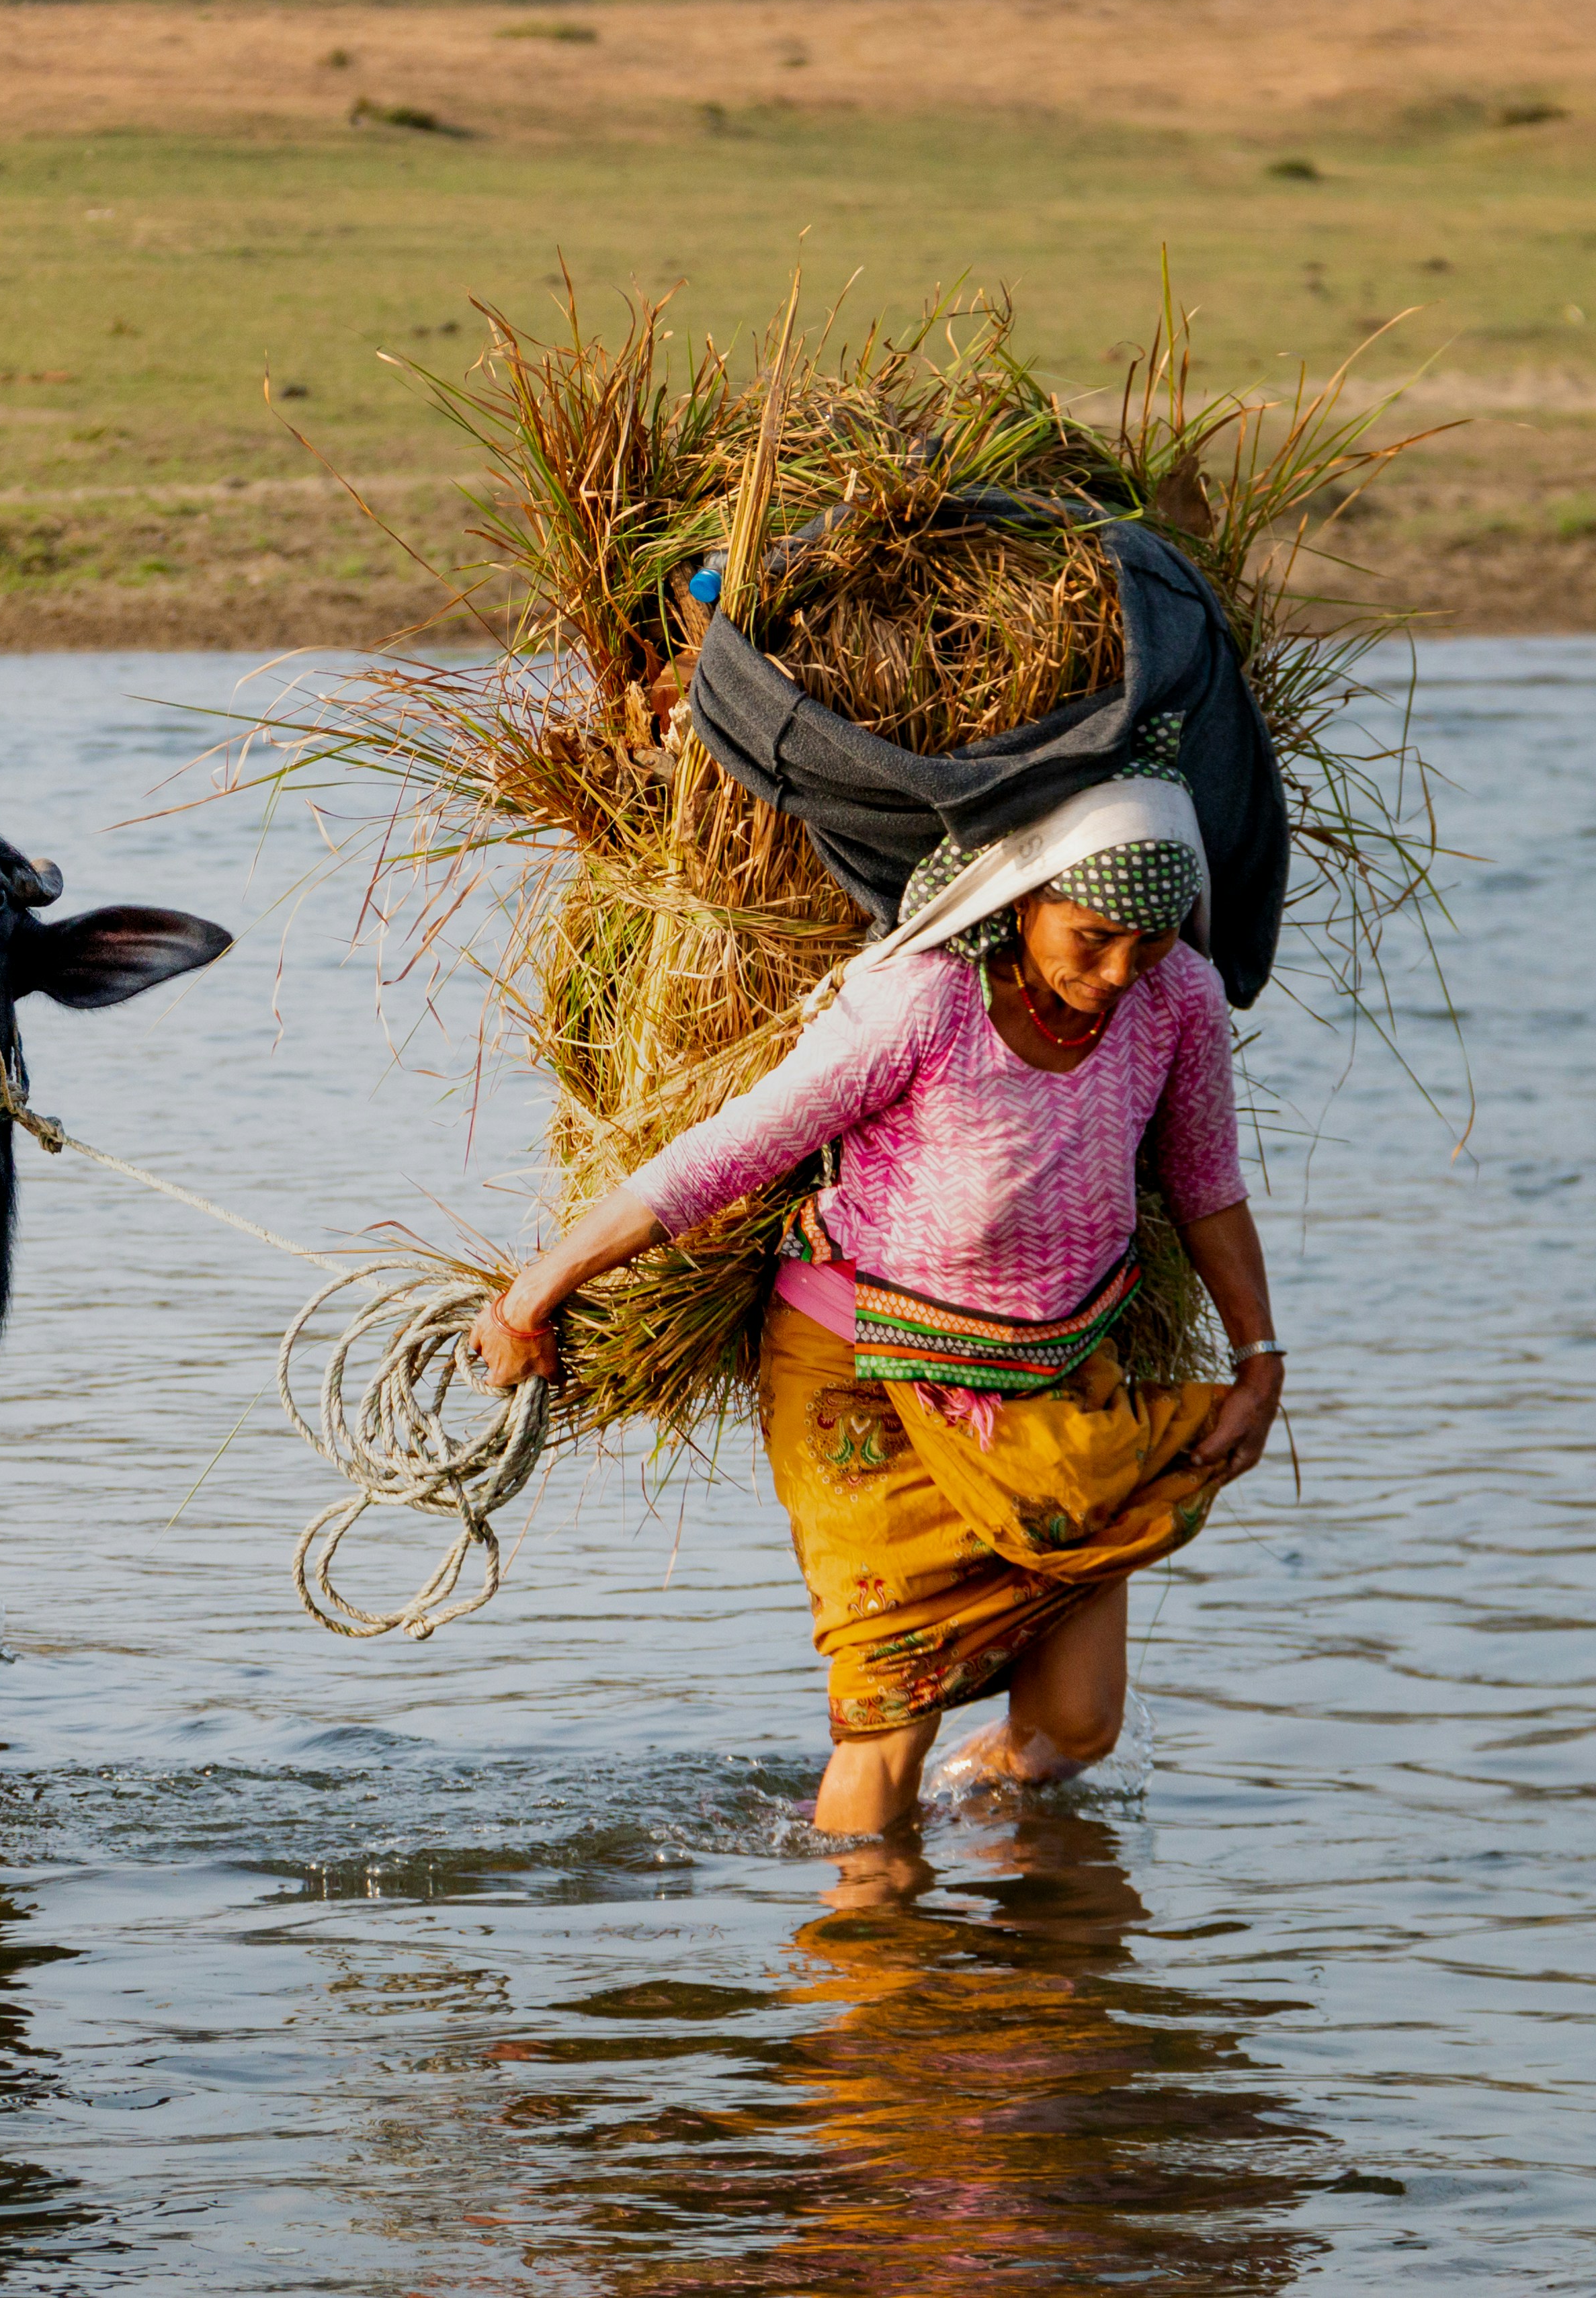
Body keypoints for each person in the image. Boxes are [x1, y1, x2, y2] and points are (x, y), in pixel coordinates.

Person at [468, 722, 1284, 1836]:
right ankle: (866, 1974)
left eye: (1145, 945)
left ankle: (1008, 1980)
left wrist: (1259, 1359)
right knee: (886, 1724)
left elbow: (1204, 1183)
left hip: (1055, 1379)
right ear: (1020, 897)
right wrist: (535, 1290)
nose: (1114, 976)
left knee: (1078, 1727)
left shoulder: (1175, 999)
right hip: (865, 1378)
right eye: (1090, 940)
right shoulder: (922, 1003)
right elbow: (730, 1152)